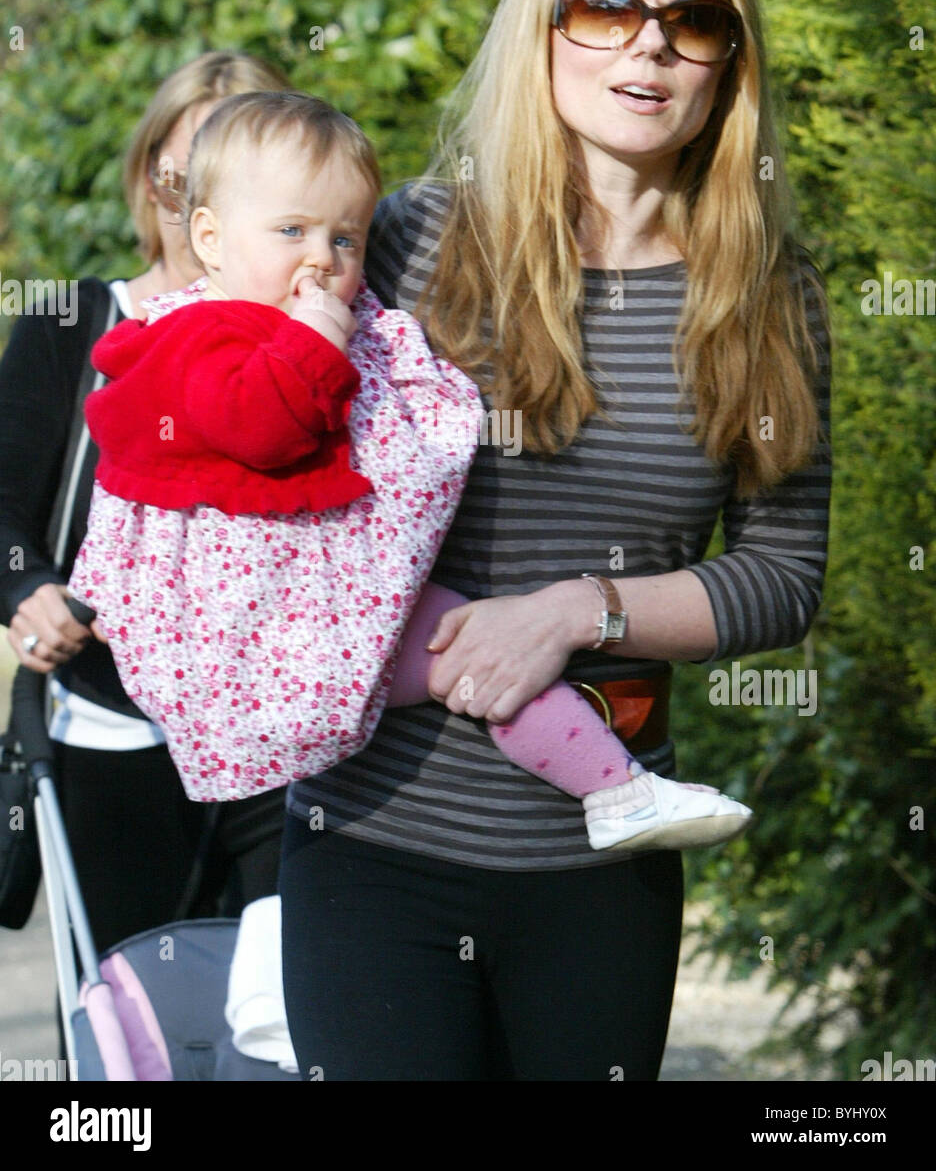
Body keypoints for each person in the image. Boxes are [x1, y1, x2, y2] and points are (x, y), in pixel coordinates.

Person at [277, 0, 833, 1081]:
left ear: (729, 64)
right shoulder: (409, 244)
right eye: (606, 5)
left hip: (603, 867)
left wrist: (581, 610)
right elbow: (269, 471)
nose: (648, 43)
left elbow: (784, 576)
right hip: (373, 845)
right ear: (546, 26)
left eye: (694, 21)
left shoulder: (768, 297)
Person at [68, 89, 751, 858]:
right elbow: (257, 429)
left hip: (320, 581)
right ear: (210, 237)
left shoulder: (326, 319)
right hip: (262, 618)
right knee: (459, 647)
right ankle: (615, 788)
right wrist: (312, 350)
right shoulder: (195, 333)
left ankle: (614, 791)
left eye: (347, 238)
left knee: (467, 646)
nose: (322, 259)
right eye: (291, 230)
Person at [0, 50, 294, 955]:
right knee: (125, 1028)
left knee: (284, 1029)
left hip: (281, 751)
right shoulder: (73, 322)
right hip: (111, 741)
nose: (195, 208)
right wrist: (26, 592)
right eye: (178, 179)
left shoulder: (319, 348)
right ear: (148, 182)